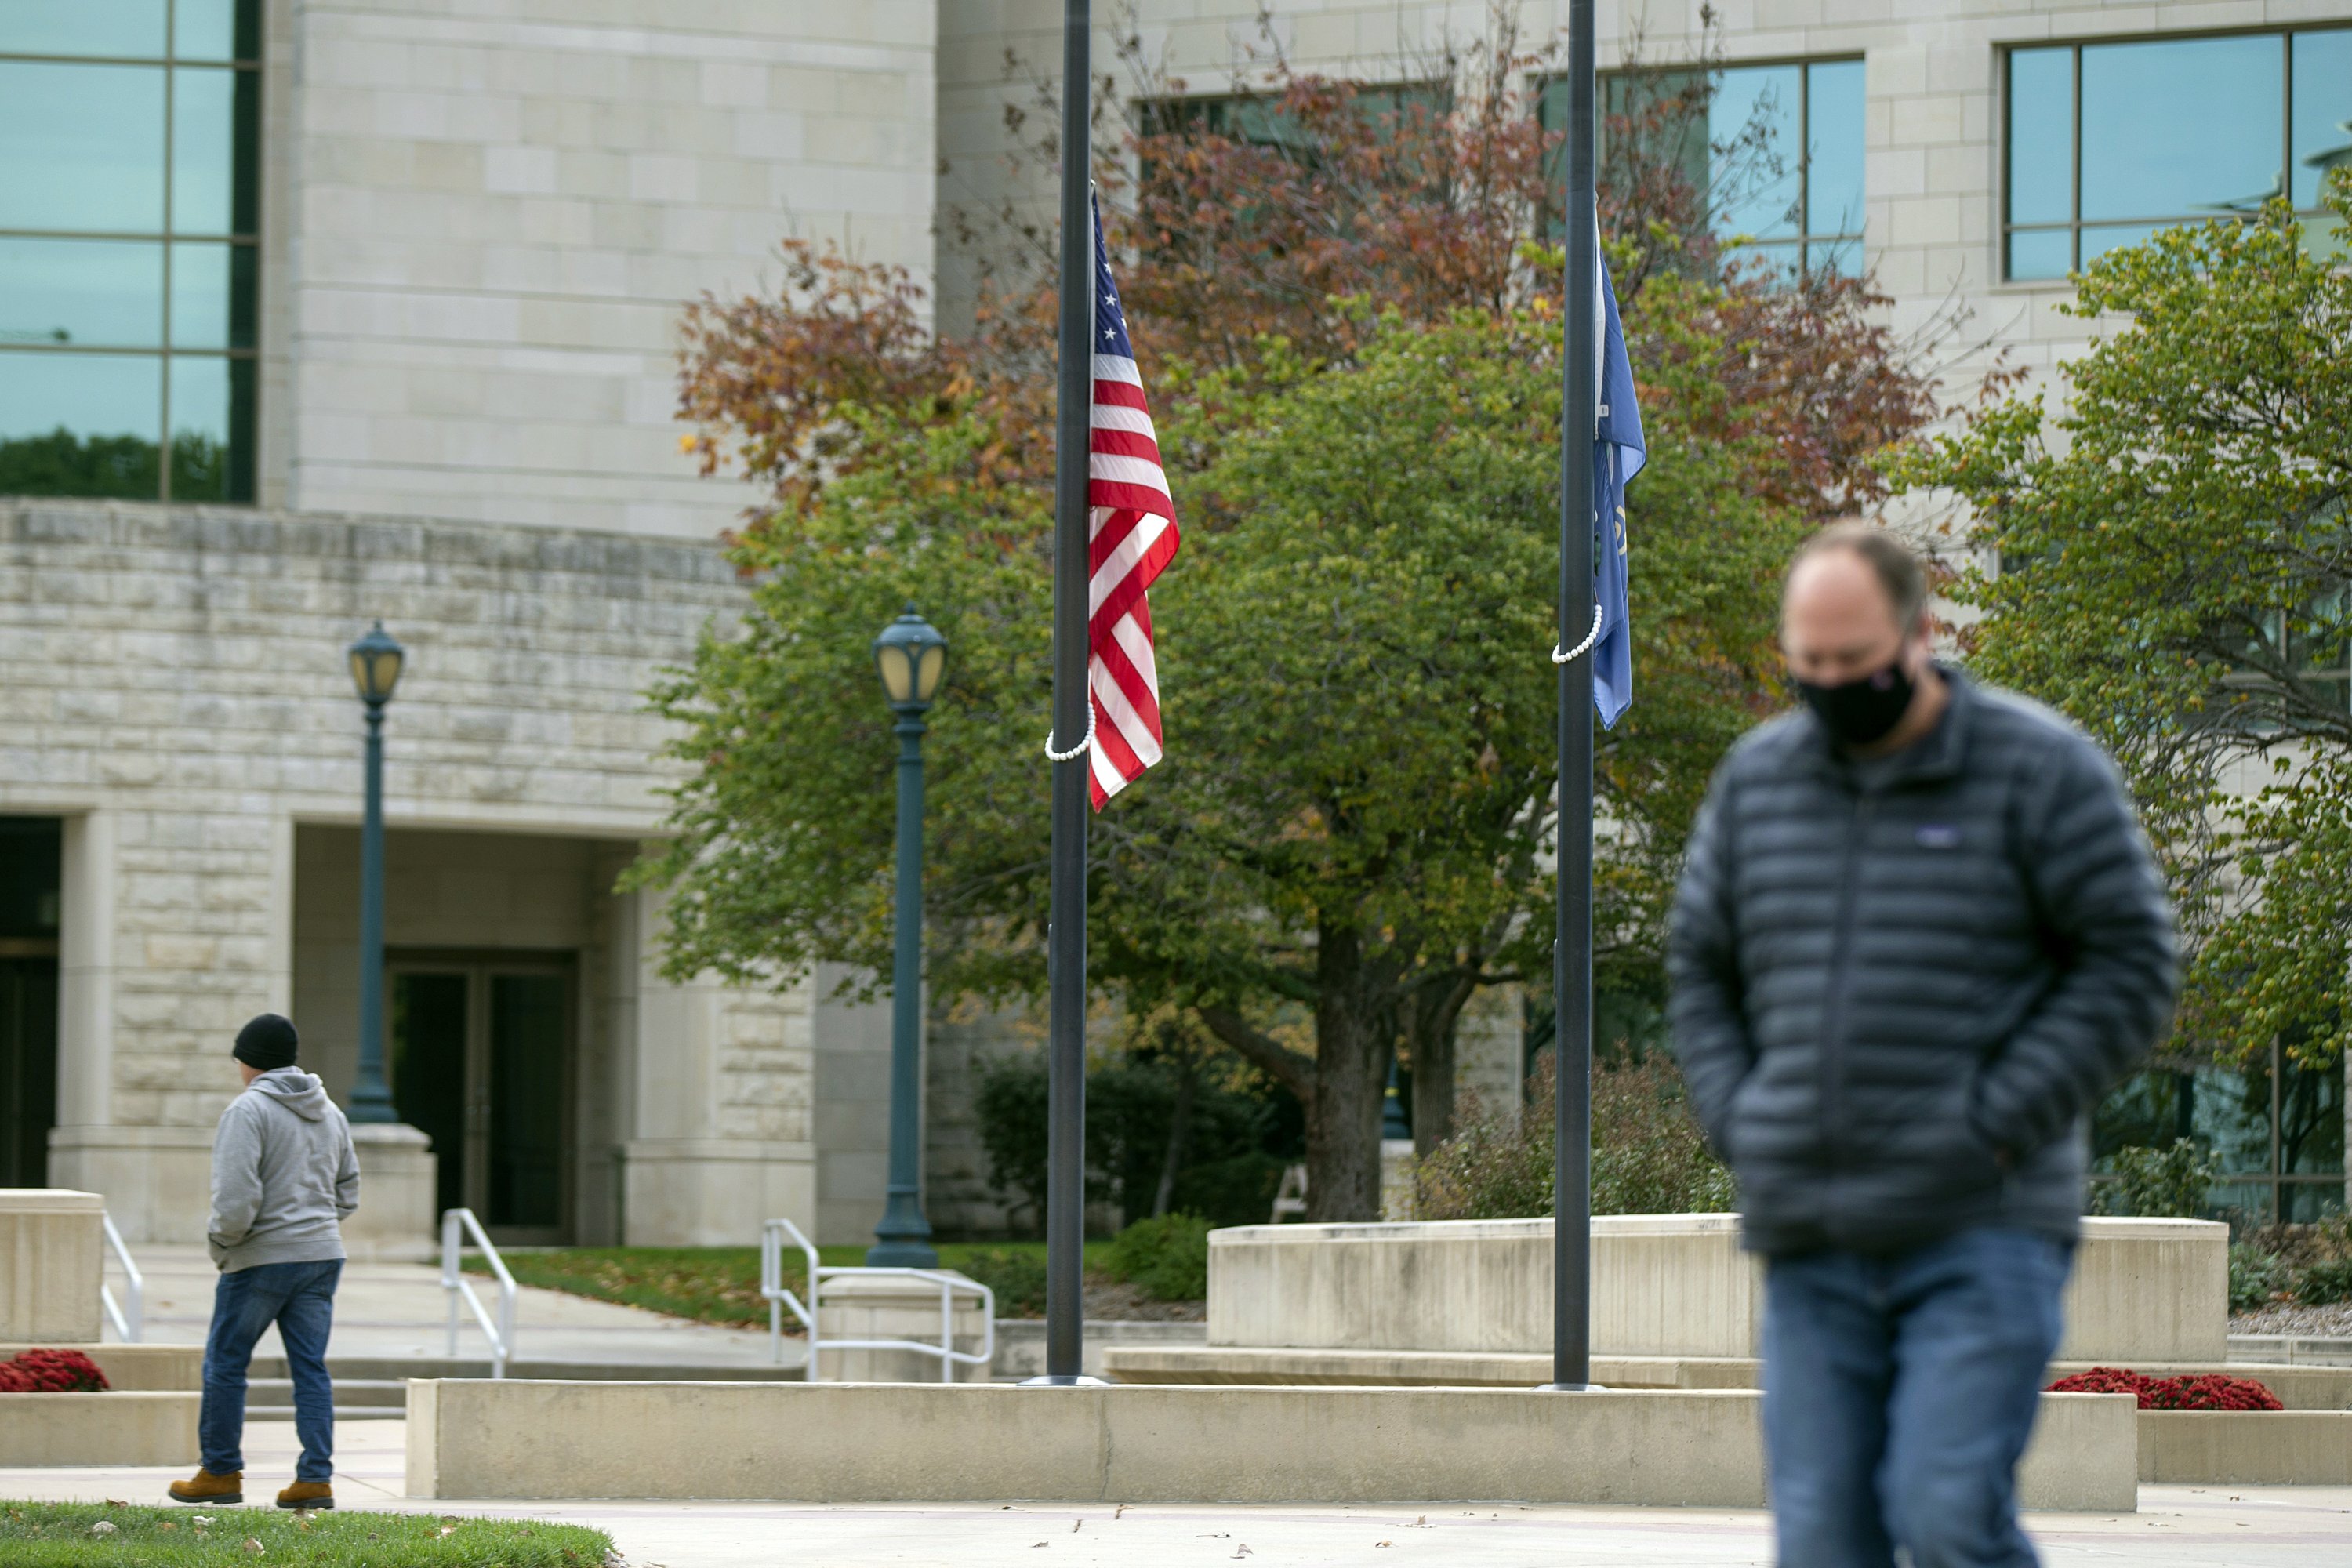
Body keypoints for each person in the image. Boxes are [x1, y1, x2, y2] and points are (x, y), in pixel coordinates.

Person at [1667, 525, 2176, 1566]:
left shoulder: (2040, 769)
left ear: (1918, 633)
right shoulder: (1757, 782)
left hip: (1981, 1229)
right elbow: (1697, 970)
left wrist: (1991, 1123)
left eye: (1853, 666)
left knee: (1945, 1515)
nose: (1829, 686)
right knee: (1823, 1542)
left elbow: (2133, 968)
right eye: (1806, 668)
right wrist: (1742, 1120)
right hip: (1812, 1231)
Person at [169, 1014, 359, 1511]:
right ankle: (315, 1480)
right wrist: (314, 1223)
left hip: (261, 1260)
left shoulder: (247, 1110)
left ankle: (220, 1472)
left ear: (248, 1061)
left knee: (225, 1364)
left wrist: (222, 1243)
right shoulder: (330, 1111)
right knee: (310, 1369)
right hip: (322, 1255)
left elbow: (235, 1200)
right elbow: (348, 1190)